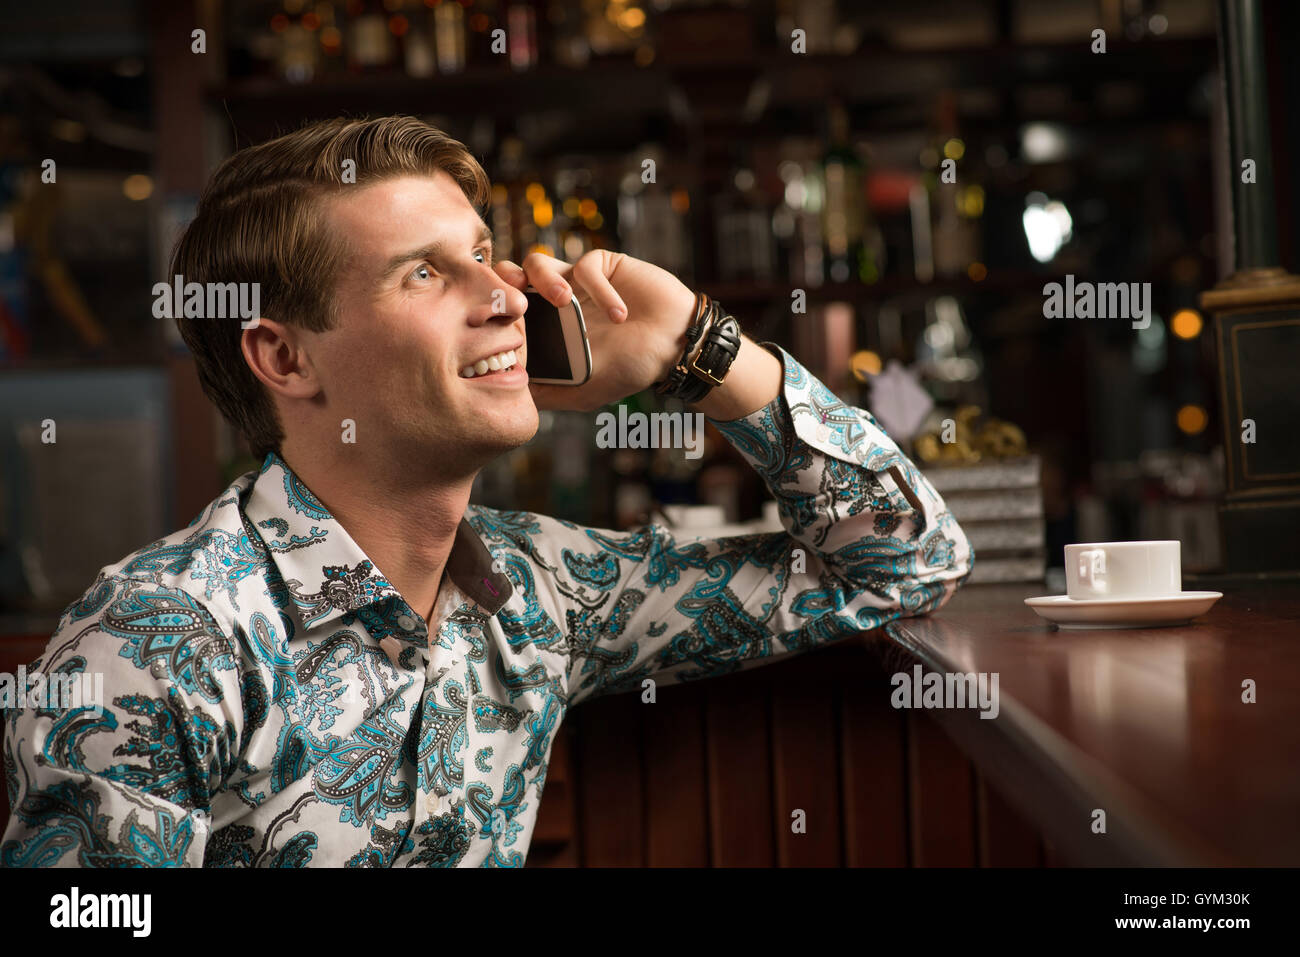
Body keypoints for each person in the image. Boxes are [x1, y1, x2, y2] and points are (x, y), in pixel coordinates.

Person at [1, 116, 972, 867]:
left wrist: (701, 347)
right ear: (284, 355)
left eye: (482, 250)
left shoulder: (542, 591)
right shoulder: (157, 643)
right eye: (425, 272)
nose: (506, 292)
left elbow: (898, 561)